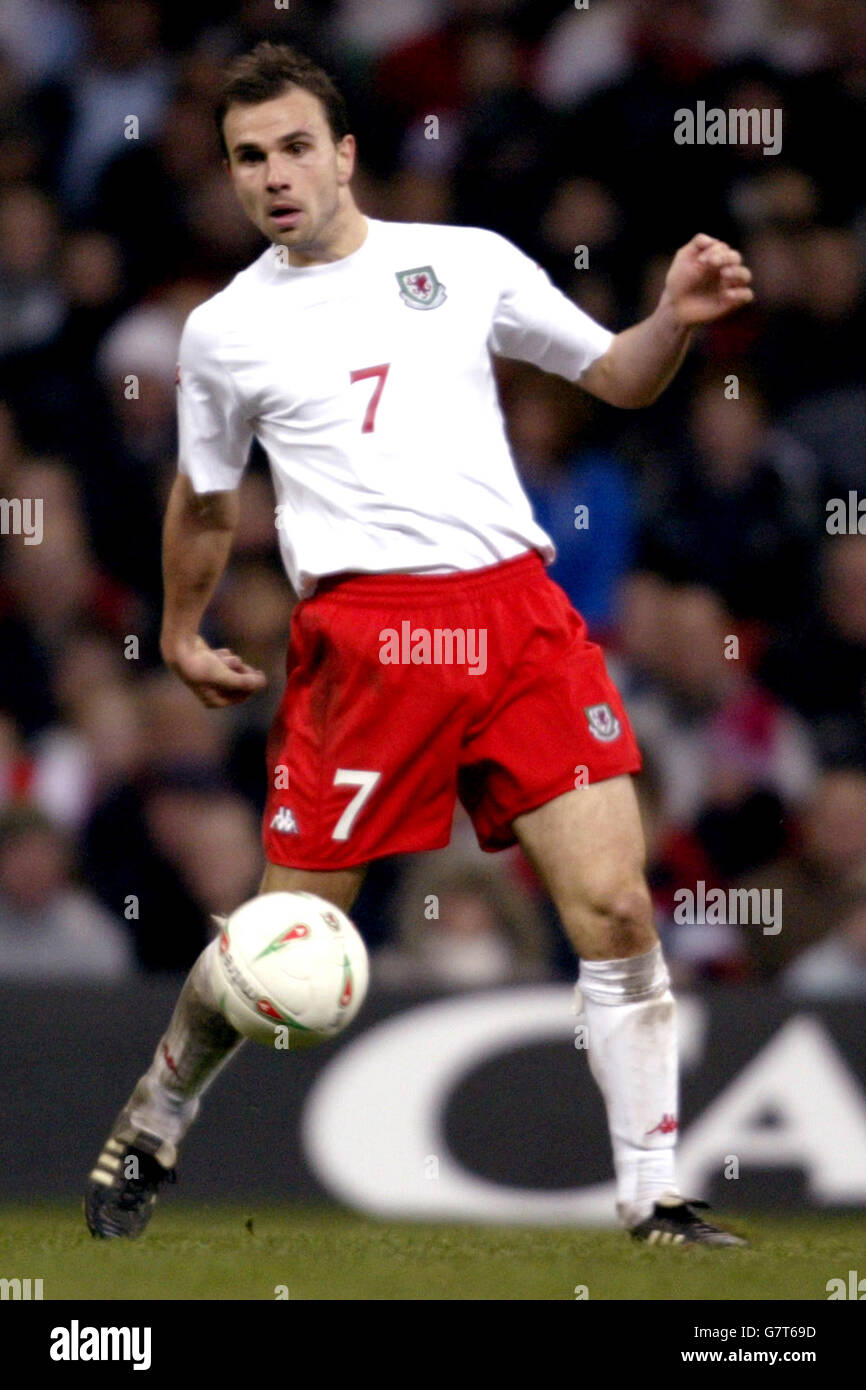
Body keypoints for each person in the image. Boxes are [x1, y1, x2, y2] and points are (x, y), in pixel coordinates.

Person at [84, 42, 753, 1246]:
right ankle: (157, 1111)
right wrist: (179, 628)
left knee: (610, 908)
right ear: (231, 178)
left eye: (295, 146)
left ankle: (653, 1198)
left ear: (343, 154)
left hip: (516, 619)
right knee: (282, 944)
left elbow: (613, 375)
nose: (274, 174)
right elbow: (205, 499)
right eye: (248, 157)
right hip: (366, 644)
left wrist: (670, 318)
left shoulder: (462, 261)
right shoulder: (224, 333)